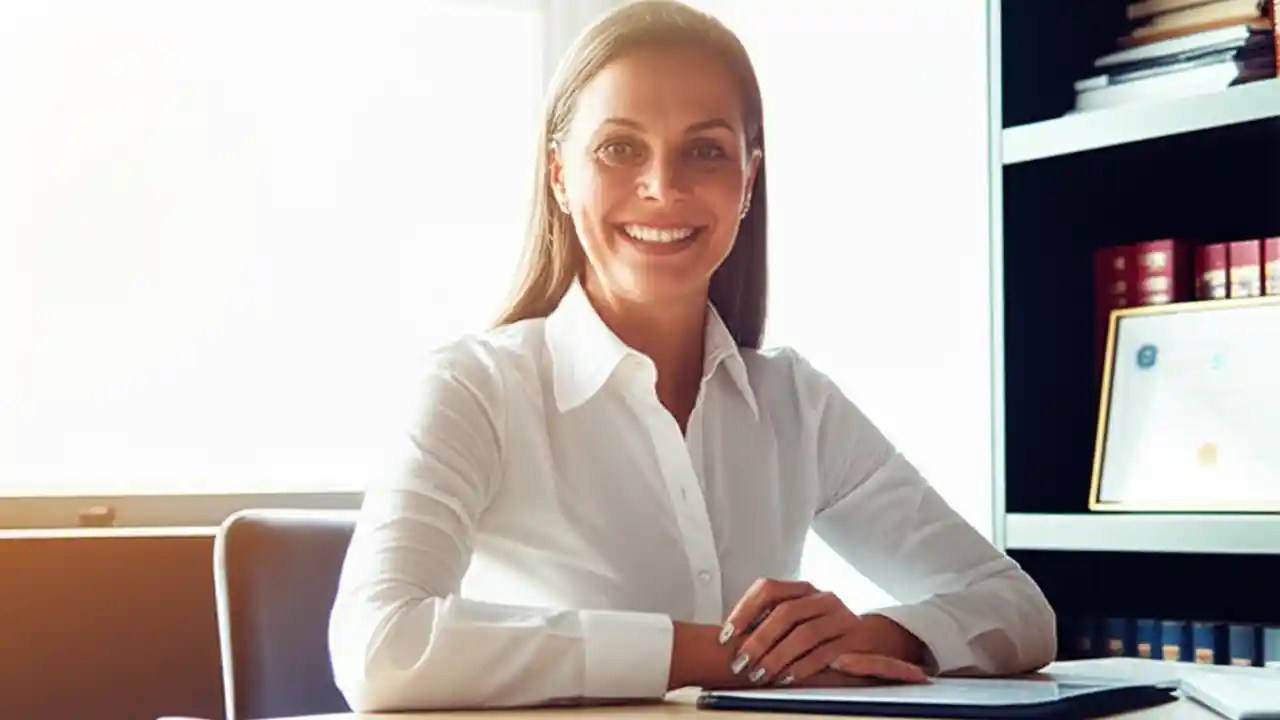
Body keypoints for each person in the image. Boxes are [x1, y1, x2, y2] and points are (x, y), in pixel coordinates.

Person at [327, 0, 1056, 712]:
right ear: (559, 175)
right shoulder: (474, 387)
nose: (663, 186)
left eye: (705, 150)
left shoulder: (795, 402)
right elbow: (379, 648)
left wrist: (876, 636)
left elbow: (1021, 611)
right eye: (618, 148)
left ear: (747, 181)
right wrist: (721, 655)